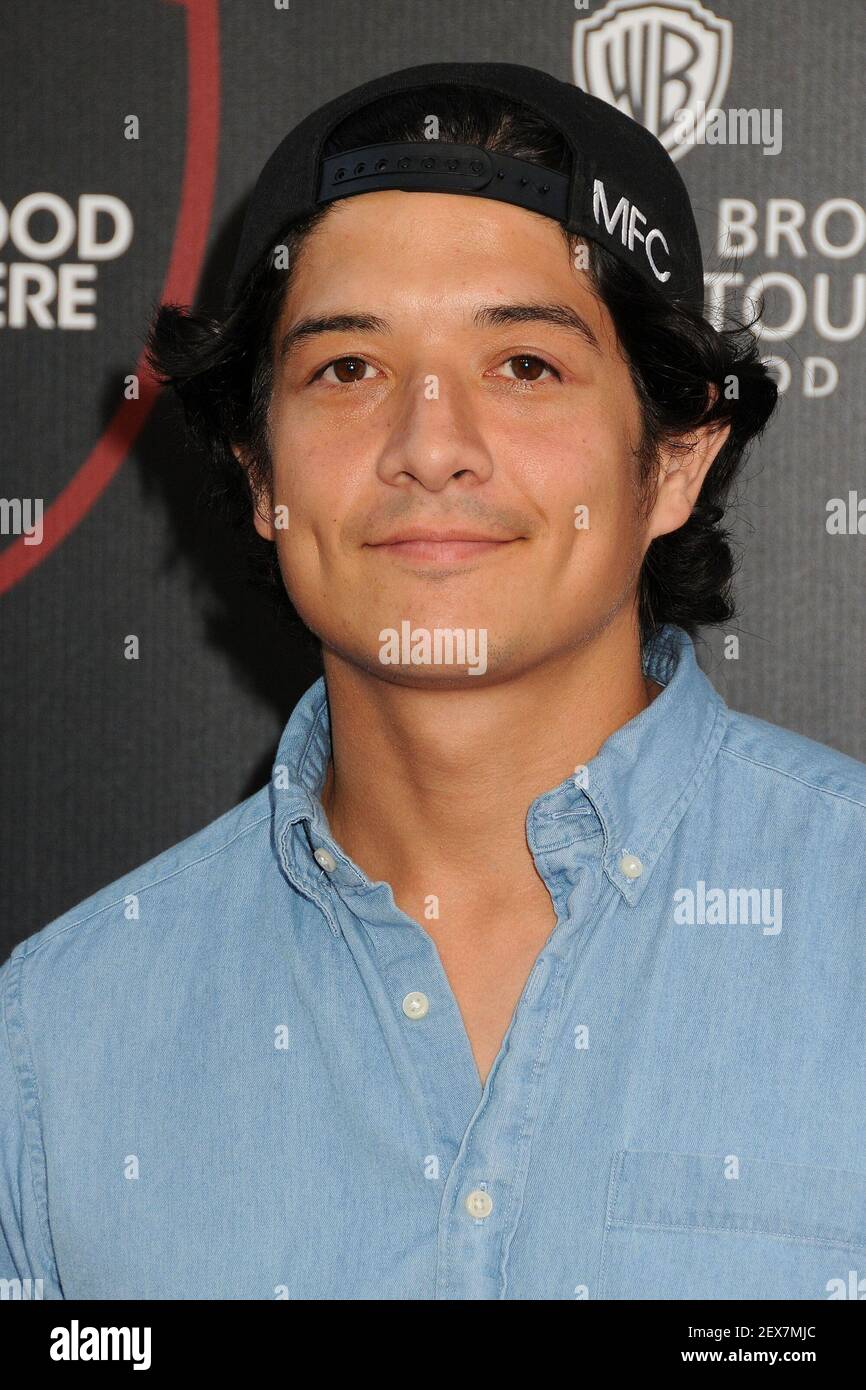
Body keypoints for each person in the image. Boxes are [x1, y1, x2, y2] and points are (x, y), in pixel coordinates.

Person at [3, 61, 866, 1302]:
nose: (429, 445)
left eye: (523, 365)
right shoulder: (53, 1043)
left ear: (672, 463)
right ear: (260, 476)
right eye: (346, 370)